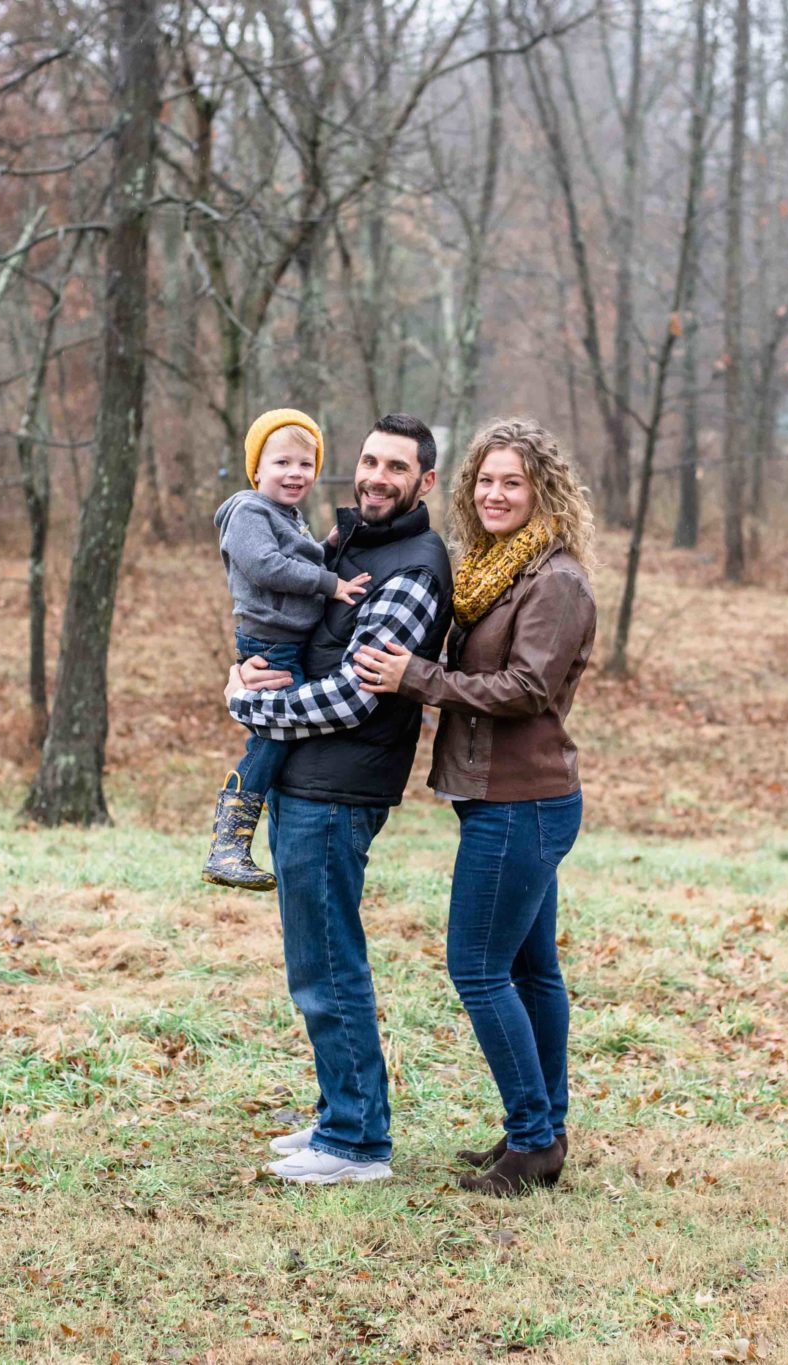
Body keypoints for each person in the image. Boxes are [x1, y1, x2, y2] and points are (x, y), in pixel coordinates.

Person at [351, 418, 596, 1196]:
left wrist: (417, 677)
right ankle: (541, 1128)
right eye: (486, 479)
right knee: (532, 971)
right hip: (504, 796)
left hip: (521, 800)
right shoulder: (497, 569)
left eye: (512, 481)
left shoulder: (555, 580)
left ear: (542, 491)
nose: (495, 493)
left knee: (478, 968)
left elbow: (527, 690)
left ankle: (533, 1142)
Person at [223, 414, 452, 1185]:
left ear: (425, 483)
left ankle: (356, 1142)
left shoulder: (413, 567)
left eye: (397, 468)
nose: (376, 476)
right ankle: (339, 1116)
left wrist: (253, 709)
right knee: (311, 962)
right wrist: (247, 673)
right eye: (369, 460)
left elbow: (357, 694)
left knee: (329, 965)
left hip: (338, 786)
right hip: (305, 776)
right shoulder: (353, 542)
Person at [203, 410, 371, 891]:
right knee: (276, 734)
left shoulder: (287, 517)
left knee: (280, 733)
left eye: (305, 463)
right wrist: (330, 582)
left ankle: (237, 841)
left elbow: (292, 559)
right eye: (282, 463)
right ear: (256, 470)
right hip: (270, 644)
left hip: (286, 642)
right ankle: (228, 844)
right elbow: (266, 566)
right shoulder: (248, 511)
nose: (295, 473)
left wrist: (327, 545)